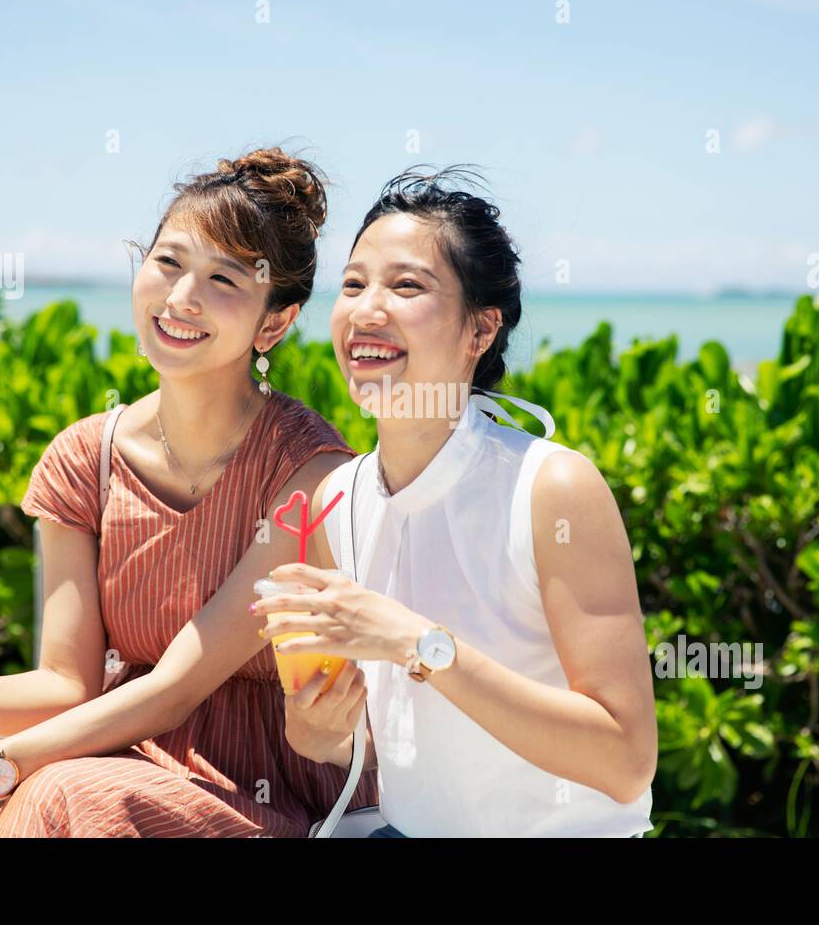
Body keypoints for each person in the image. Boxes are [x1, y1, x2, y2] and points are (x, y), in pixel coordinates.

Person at [0, 147, 378, 836]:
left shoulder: (307, 473)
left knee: (59, 795)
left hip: (272, 800)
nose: (181, 299)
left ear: (275, 322)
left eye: (224, 280)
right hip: (114, 765)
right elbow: (68, 687)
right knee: (60, 792)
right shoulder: (83, 461)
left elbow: (176, 689)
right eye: (169, 262)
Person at [253, 168, 657, 837]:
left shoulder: (550, 488)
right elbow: (372, 748)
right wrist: (315, 728)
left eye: (406, 285)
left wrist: (416, 642)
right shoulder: (338, 501)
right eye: (353, 284)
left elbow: (625, 760)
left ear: (480, 331)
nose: (367, 308)